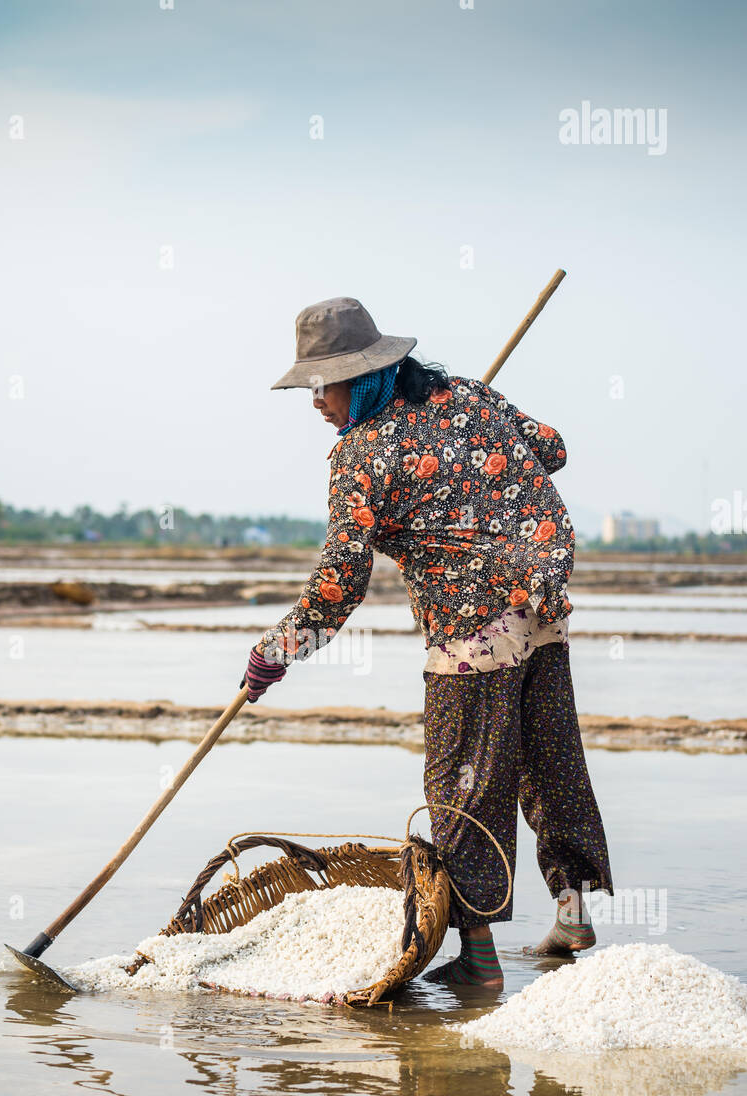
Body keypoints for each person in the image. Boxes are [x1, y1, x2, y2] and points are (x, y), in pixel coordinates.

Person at [242, 296, 613, 988]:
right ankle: (571, 908)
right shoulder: (469, 395)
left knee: (461, 785)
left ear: (366, 377)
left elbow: (341, 578)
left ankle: (477, 963)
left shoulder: (360, 454)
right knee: (544, 758)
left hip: (471, 633)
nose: (315, 402)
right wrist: (473, 444)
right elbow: (552, 450)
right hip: (538, 608)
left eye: (324, 386)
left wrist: (277, 650)